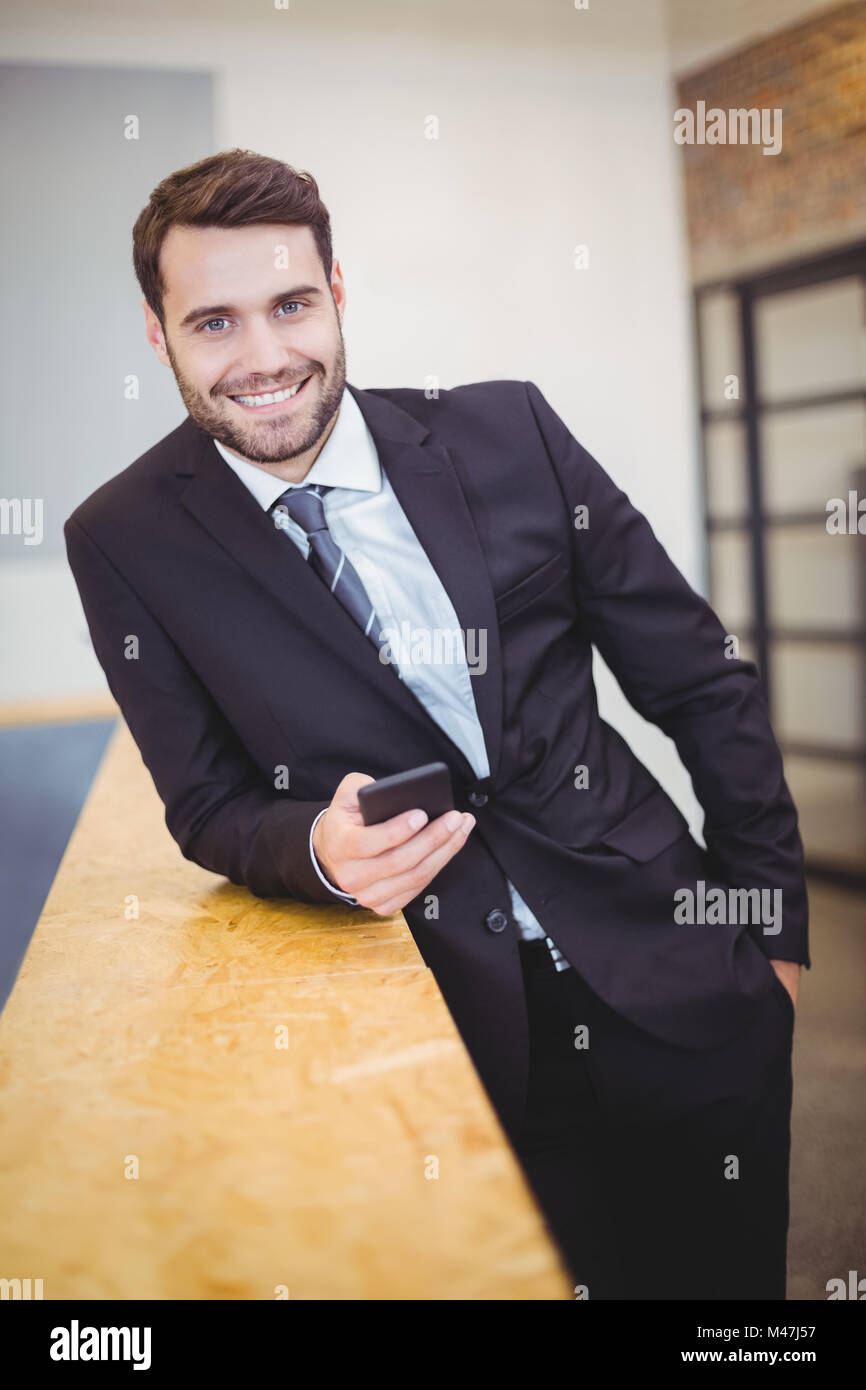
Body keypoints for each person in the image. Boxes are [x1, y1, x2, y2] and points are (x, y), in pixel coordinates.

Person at [65, 149, 808, 1299]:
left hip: (681, 978)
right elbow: (207, 803)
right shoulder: (121, 536)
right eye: (214, 321)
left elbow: (699, 679)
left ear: (337, 293)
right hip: (441, 1044)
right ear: (159, 335)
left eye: (291, 305)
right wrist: (313, 846)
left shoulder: (512, 434)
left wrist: (772, 934)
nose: (264, 357)